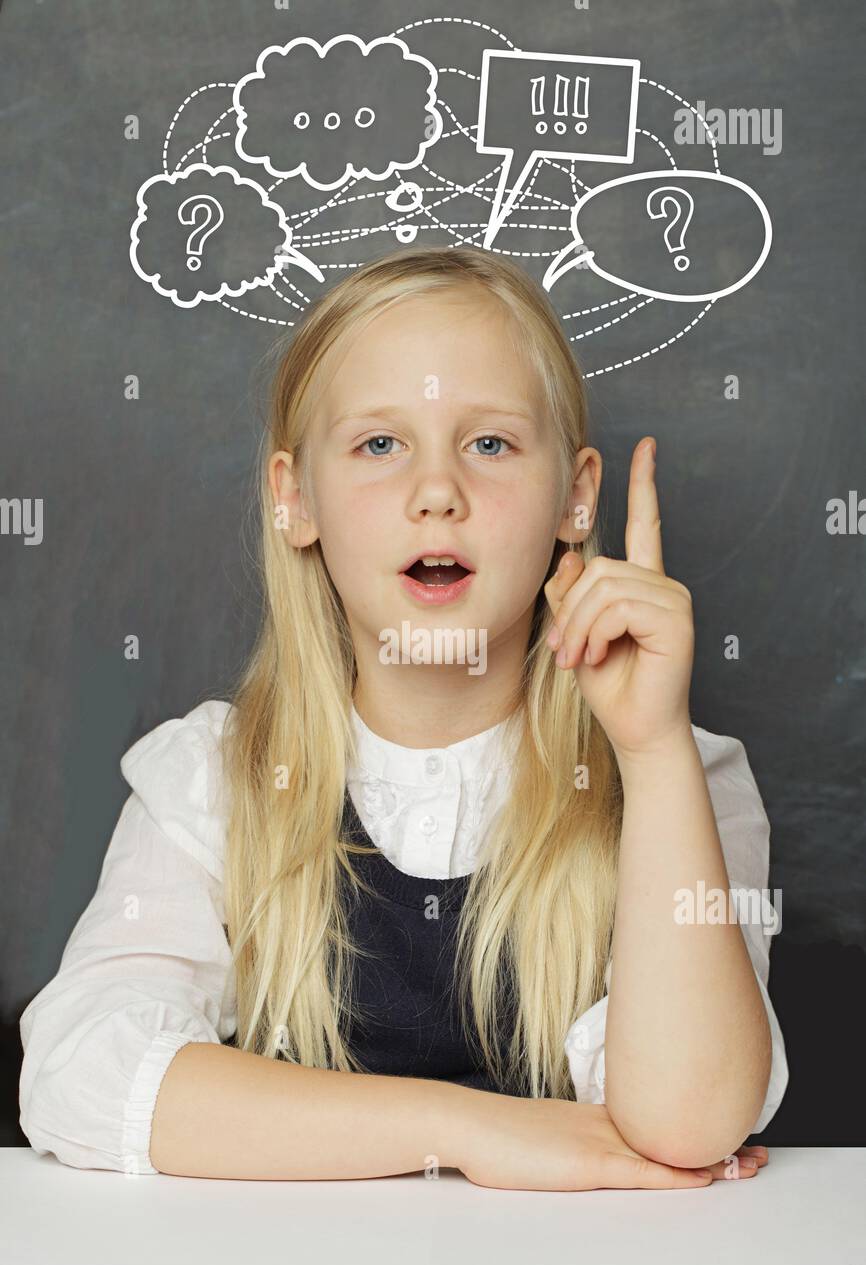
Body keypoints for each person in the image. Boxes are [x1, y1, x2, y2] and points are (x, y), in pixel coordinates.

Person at [19, 246, 786, 1190]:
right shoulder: (213, 776)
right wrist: (469, 1132)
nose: (437, 493)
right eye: (380, 445)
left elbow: (691, 1122)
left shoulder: (687, 782)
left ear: (576, 496)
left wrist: (651, 748)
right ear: (293, 498)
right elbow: (80, 1071)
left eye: (490, 443)